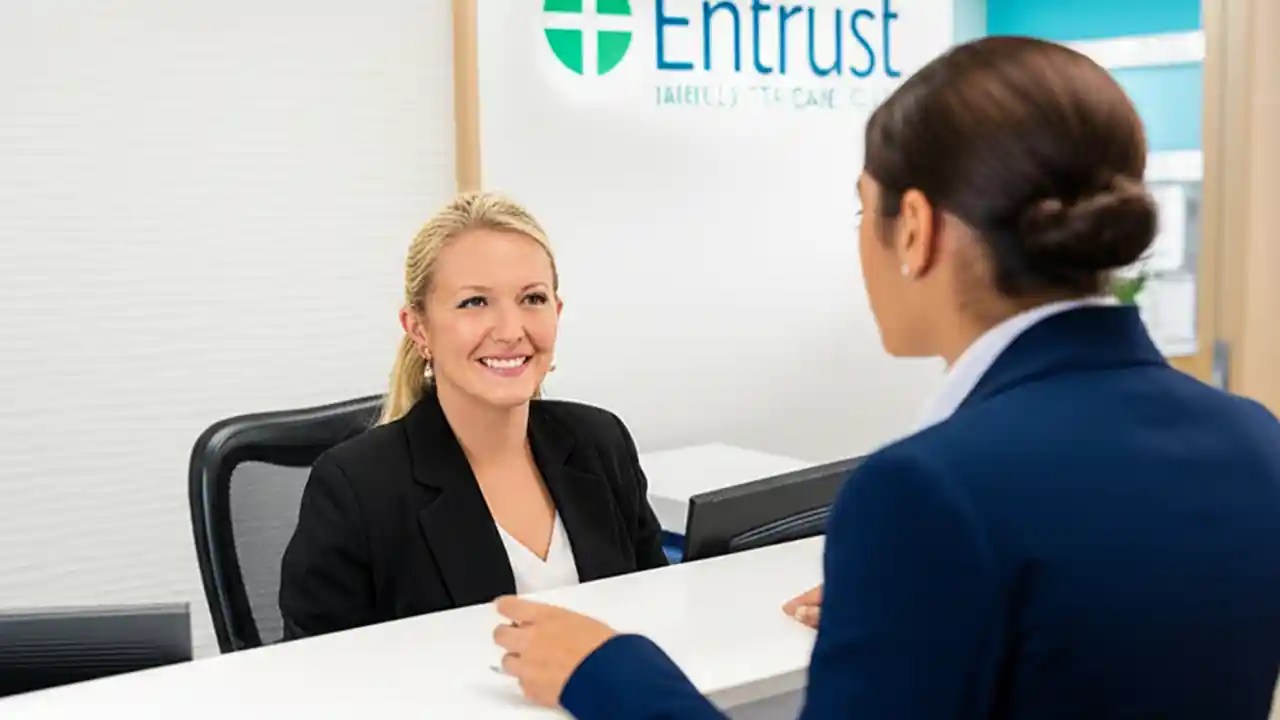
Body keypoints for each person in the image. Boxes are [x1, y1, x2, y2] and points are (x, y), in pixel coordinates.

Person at [489, 36, 1280, 719]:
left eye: (864, 211)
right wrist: (913, 610)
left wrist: (608, 673)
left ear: (919, 230)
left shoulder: (926, 493)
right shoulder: (1251, 438)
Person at [279, 191, 668, 640]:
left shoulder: (600, 443)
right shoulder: (356, 489)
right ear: (418, 328)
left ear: (557, 313)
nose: (510, 330)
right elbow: (316, 682)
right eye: (474, 303)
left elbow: (654, 614)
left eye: (533, 299)